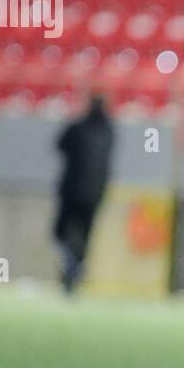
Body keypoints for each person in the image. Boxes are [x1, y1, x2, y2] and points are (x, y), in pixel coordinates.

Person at [53, 93, 114, 294]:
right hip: (94, 194)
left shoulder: (78, 128)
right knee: (85, 235)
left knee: (60, 232)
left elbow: (59, 145)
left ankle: (71, 265)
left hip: (71, 191)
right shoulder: (108, 132)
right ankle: (76, 266)